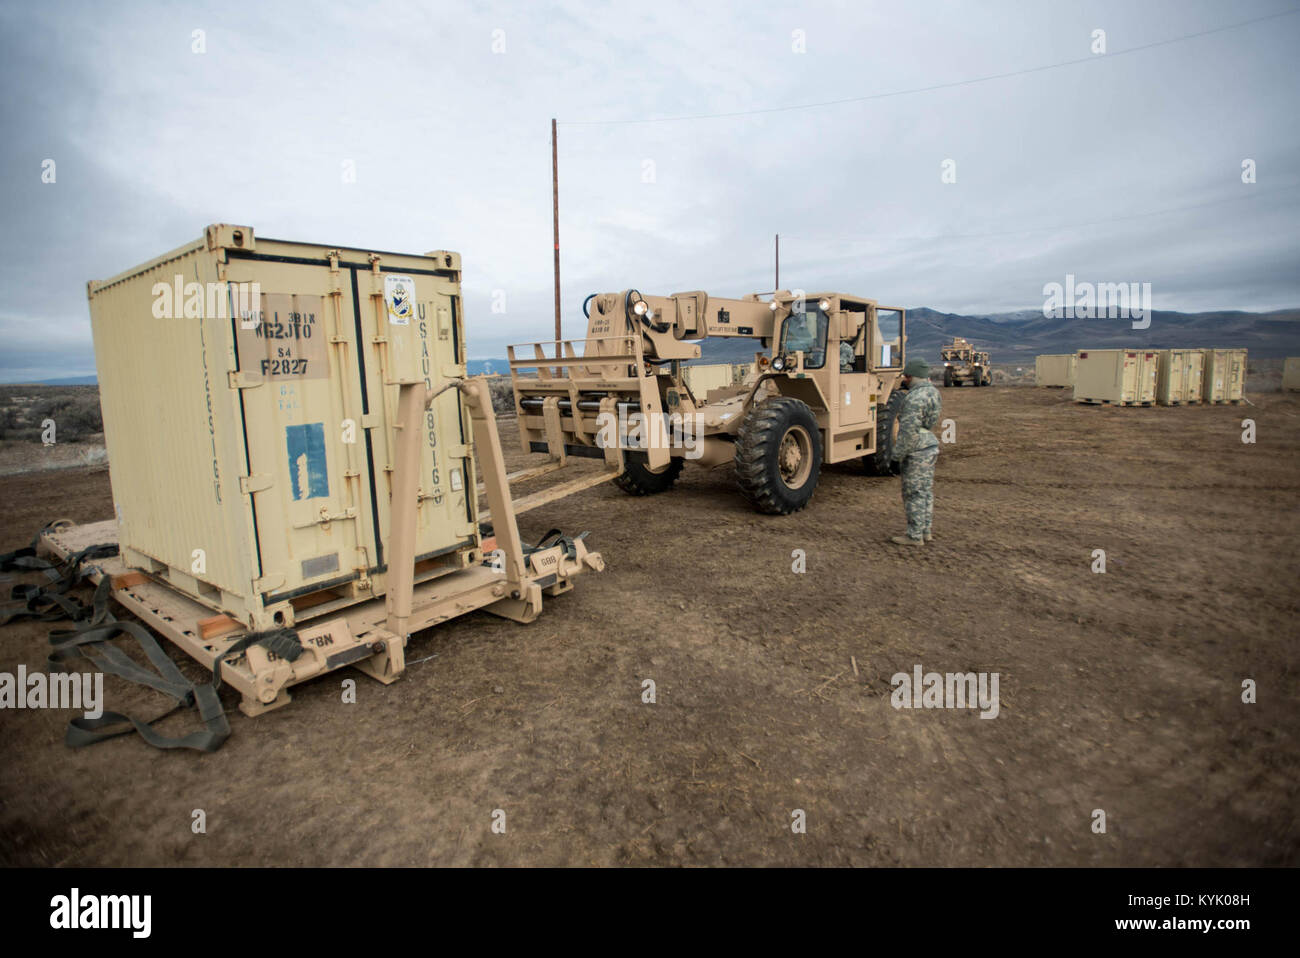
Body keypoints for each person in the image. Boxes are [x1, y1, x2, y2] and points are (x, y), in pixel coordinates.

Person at [889, 358, 941, 546]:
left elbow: (907, 431)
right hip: (929, 445)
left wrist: (896, 456)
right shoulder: (933, 393)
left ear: (911, 376)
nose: (905, 379)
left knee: (913, 493)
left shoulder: (914, 398)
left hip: (916, 450)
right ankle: (925, 530)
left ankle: (914, 535)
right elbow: (929, 422)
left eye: (906, 376)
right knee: (925, 491)